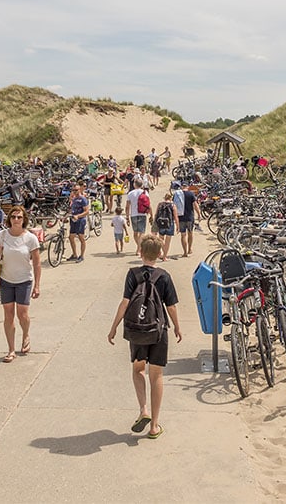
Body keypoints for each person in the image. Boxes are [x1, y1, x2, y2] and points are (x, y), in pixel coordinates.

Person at [107, 235, 182, 440]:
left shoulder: (133, 274)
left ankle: (143, 410)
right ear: (160, 253)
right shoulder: (164, 276)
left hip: (137, 330)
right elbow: (171, 306)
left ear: (140, 252)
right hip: (158, 330)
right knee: (156, 375)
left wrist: (114, 327)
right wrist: (176, 327)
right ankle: (155, 426)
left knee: (138, 369)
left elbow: (124, 302)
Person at [0, 207, 42, 363]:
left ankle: (26, 334)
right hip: (6, 279)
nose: (16, 220)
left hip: (24, 280)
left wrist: (37, 285)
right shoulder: (2, 235)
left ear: (24, 219)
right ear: (9, 219)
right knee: (8, 315)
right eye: (13, 217)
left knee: (22, 314)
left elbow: (37, 263)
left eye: (19, 217)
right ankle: (11, 350)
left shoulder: (30, 238)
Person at [125, 180, 151, 253]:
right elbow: (149, 204)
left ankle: (139, 248)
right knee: (142, 233)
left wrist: (127, 217)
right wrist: (151, 214)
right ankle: (139, 249)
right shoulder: (145, 192)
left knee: (135, 233)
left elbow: (127, 206)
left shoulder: (130, 193)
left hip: (133, 215)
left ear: (134, 184)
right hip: (142, 214)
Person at [177, 182, 201, 258]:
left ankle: (184, 252)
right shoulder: (191, 194)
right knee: (190, 233)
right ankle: (189, 249)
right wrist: (199, 214)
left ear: (181, 187)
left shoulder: (177, 194)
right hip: (190, 217)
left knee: (183, 235)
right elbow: (195, 205)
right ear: (187, 187)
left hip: (181, 217)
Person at [68, 183, 89, 263]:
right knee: (71, 237)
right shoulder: (73, 199)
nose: (74, 191)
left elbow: (86, 211)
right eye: (73, 190)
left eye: (76, 190)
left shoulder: (83, 199)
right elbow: (71, 209)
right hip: (73, 220)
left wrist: (78, 216)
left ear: (79, 190)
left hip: (80, 220)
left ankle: (82, 255)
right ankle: (74, 254)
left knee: (81, 237)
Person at [154, 192, 179, 260]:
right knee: (168, 241)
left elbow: (156, 214)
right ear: (171, 198)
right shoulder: (173, 205)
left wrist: (155, 224)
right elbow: (176, 217)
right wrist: (177, 226)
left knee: (161, 239)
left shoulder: (160, 204)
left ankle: (163, 252)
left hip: (161, 223)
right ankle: (165, 256)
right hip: (170, 224)